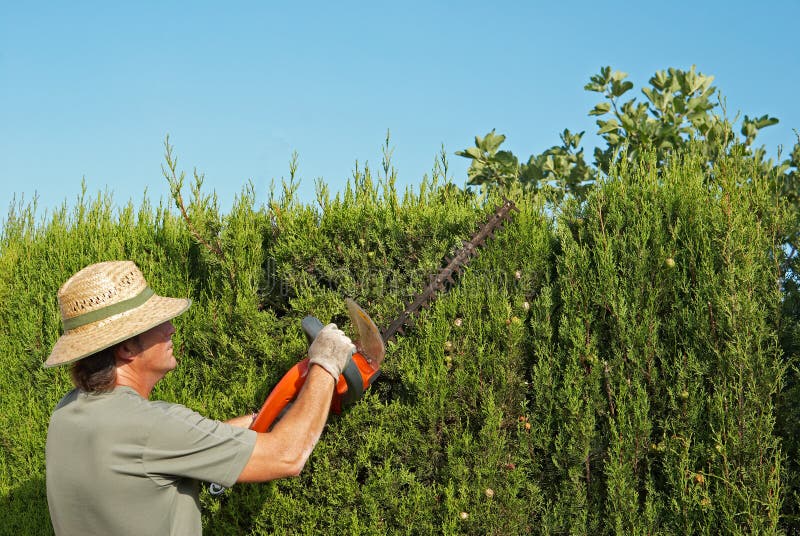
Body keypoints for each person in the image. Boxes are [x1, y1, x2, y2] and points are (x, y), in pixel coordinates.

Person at [44, 260, 355, 535]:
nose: (171, 329)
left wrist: (276, 415)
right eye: (156, 323)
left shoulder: (66, 413)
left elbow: (178, 441)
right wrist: (326, 363)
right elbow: (286, 457)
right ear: (126, 349)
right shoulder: (152, 426)